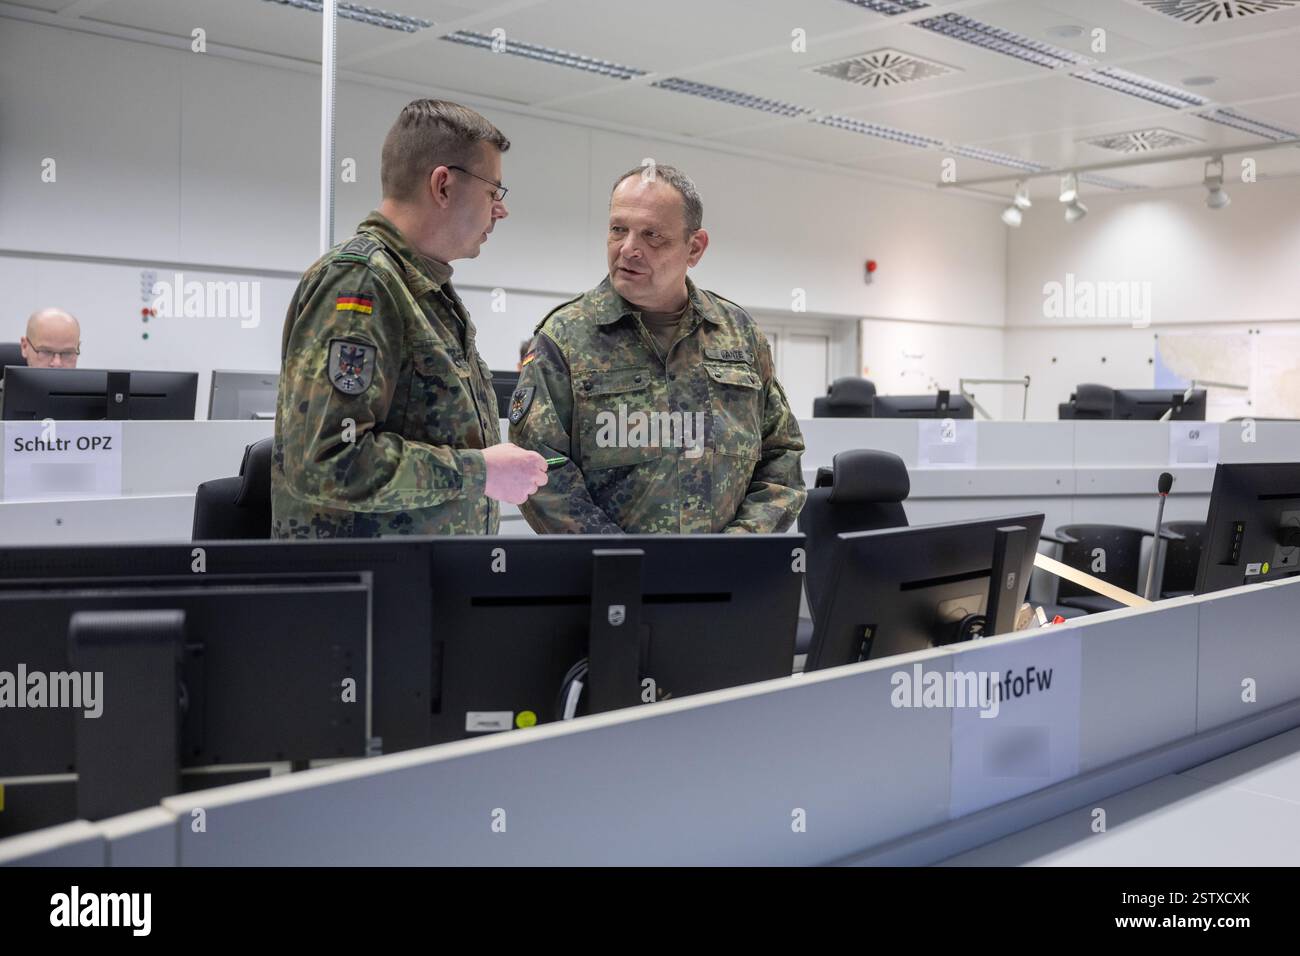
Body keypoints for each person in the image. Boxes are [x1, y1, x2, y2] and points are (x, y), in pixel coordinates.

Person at [272, 98, 546, 539]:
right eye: (493, 192)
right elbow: (327, 461)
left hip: (418, 590)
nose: (501, 209)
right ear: (442, 186)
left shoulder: (422, 289)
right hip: (366, 595)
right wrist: (479, 472)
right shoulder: (361, 283)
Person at [508, 163, 805, 534]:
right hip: (611, 578)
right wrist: (624, 560)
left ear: (694, 247)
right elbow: (541, 469)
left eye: (652, 235)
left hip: (729, 577)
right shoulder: (566, 336)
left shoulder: (738, 334)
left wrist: (742, 543)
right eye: (618, 229)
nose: (629, 249)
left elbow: (781, 452)